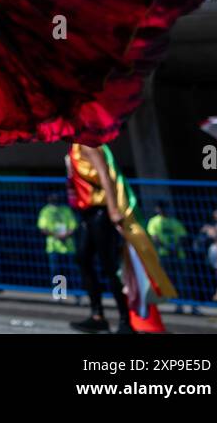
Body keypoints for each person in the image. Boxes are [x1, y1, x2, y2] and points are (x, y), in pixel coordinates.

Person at [65, 143, 135, 333]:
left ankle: (125, 321)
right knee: (82, 258)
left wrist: (113, 210)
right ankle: (98, 315)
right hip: (87, 213)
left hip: (101, 212)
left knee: (109, 266)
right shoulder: (74, 148)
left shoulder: (89, 144)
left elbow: (105, 176)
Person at [147, 203, 194, 313]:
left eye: (164, 207)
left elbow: (183, 237)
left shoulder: (175, 222)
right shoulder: (154, 221)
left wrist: (175, 248)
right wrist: (167, 247)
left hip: (178, 255)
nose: (162, 210)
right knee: (167, 280)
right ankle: (171, 303)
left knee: (182, 281)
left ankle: (185, 304)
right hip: (164, 255)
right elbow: (154, 237)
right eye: (160, 207)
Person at [37, 191, 78, 296]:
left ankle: (76, 294)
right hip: (53, 247)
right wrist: (56, 235)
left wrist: (65, 235)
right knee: (57, 272)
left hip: (68, 247)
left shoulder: (66, 210)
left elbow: (73, 226)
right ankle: (59, 294)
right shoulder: (45, 211)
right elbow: (42, 228)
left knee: (71, 272)